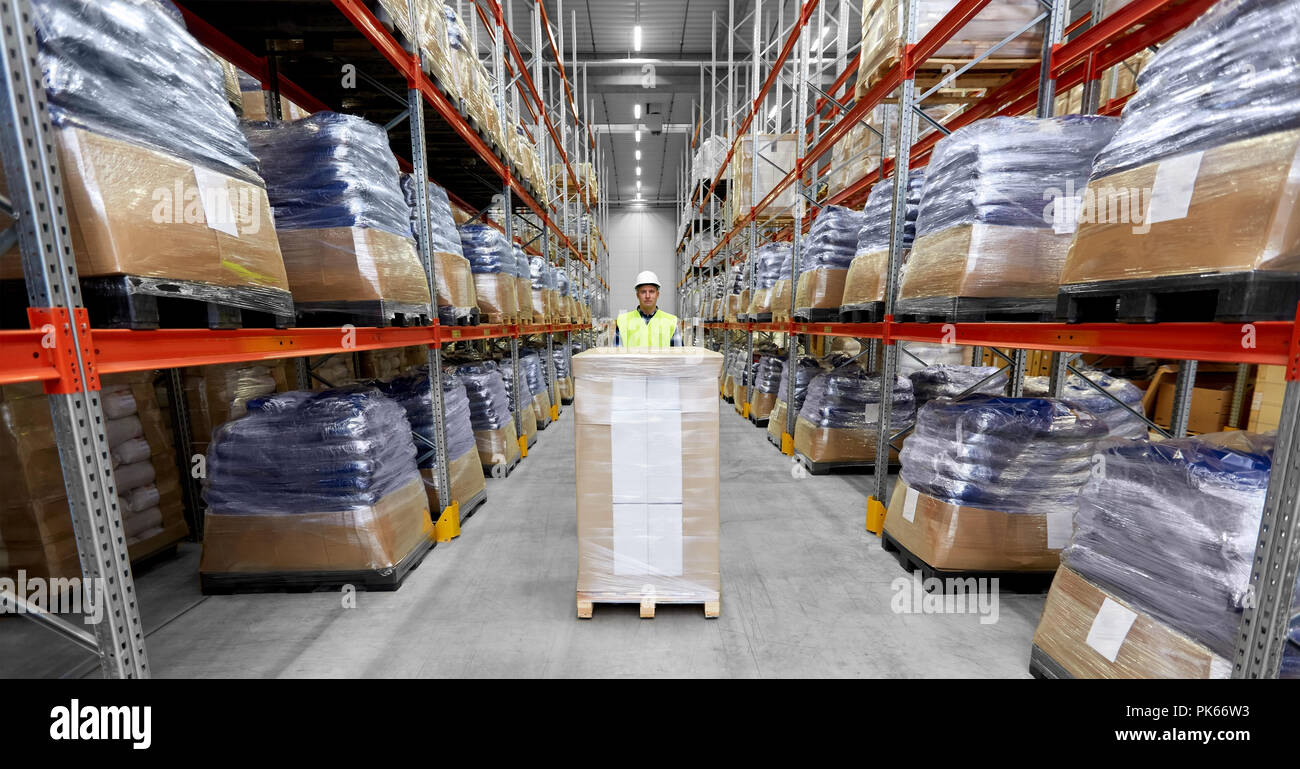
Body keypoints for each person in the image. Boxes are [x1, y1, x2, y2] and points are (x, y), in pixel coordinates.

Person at [614, 271, 681, 347]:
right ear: (637, 295)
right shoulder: (623, 321)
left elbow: (678, 355)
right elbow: (616, 355)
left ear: (657, 294)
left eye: (651, 291)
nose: (647, 296)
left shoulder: (670, 321)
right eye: (643, 292)